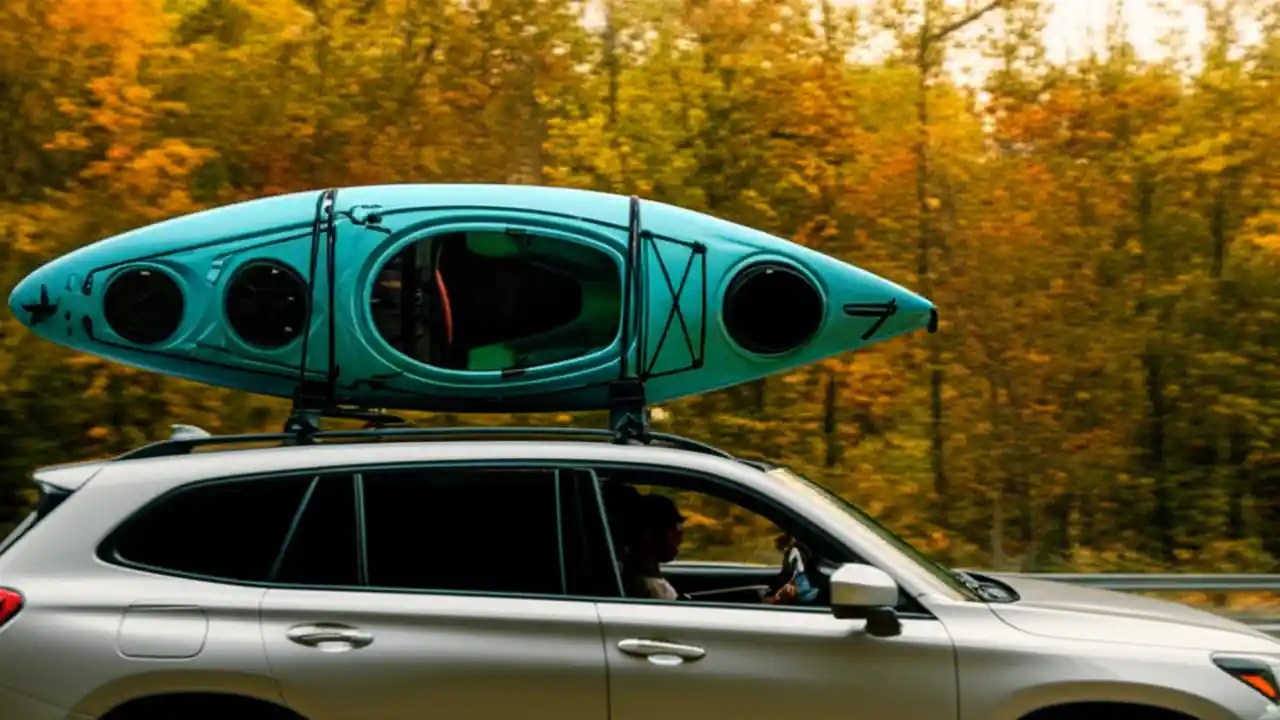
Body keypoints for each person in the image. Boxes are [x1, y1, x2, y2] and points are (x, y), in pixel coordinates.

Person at [618, 493, 687, 600]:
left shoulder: (634, 578)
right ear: (647, 534)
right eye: (675, 527)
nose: (679, 534)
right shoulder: (646, 589)